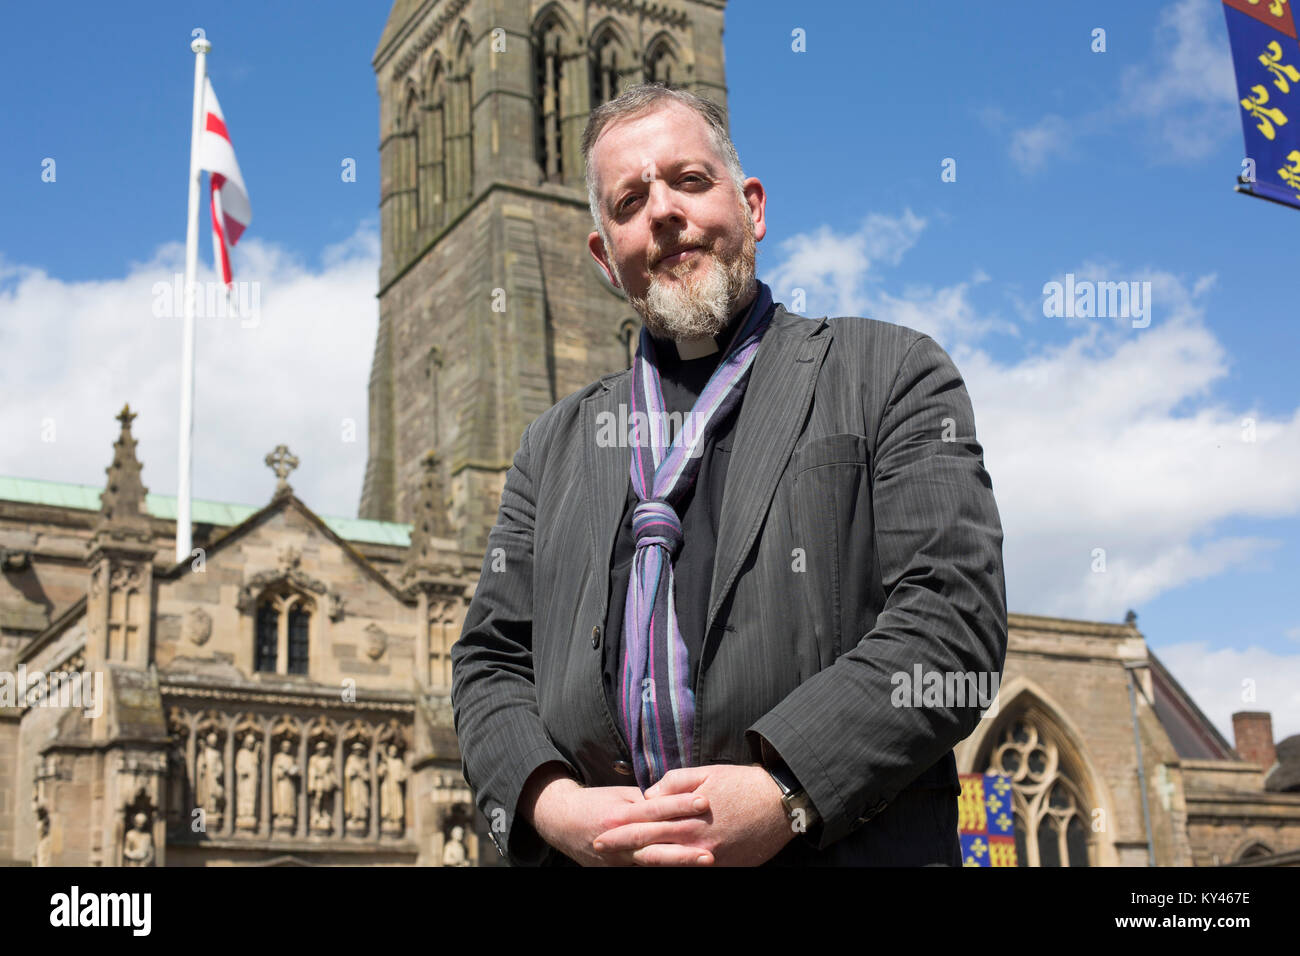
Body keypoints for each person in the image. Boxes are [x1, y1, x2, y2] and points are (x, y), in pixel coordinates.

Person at [451, 83, 1007, 866]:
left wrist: (790, 789)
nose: (663, 212)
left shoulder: (891, 373)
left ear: (752, 207)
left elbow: (953, 623)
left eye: (688, 180)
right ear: (605, 257)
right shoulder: (549, 447)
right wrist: (552, 802)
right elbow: (490, 662)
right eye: (629, 199)